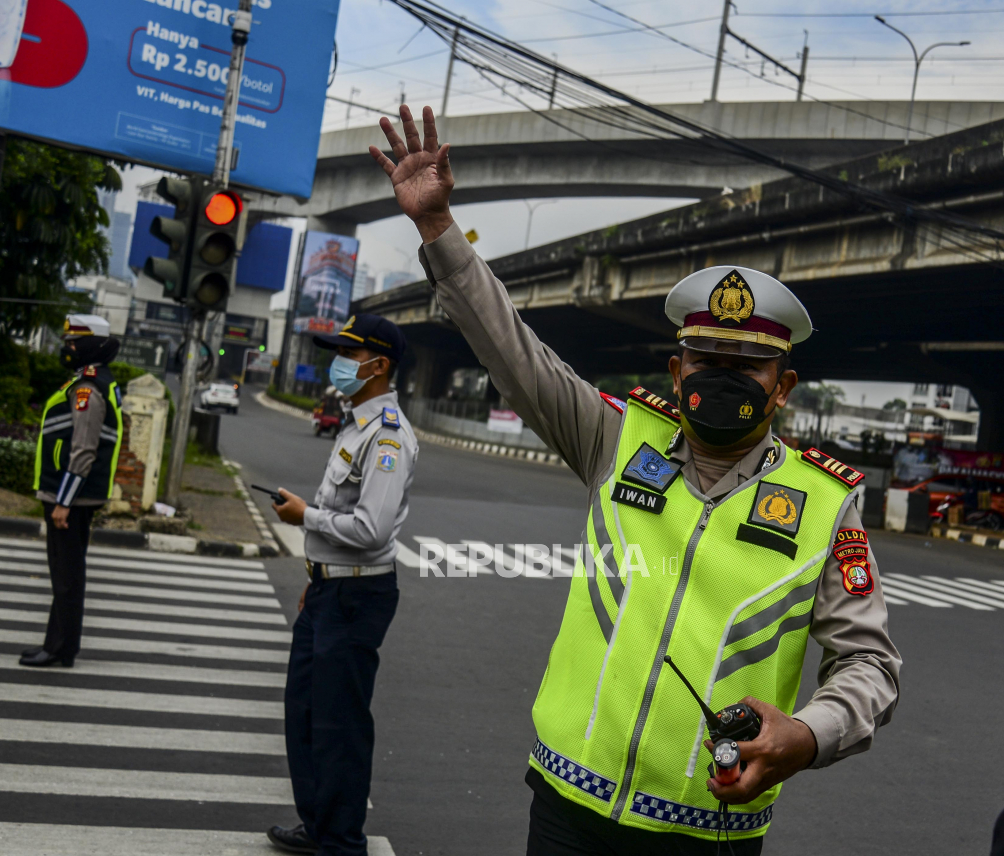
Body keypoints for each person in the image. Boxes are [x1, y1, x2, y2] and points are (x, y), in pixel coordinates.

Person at [368, 106, 901, 854]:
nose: (722, 377)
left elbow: (870, 663)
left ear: (782, 388)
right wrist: (438, 230)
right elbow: (513, 351)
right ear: (676, 371)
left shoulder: (826, 503)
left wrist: (808, 735)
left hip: (710, 829)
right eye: (705, 359)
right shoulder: (616, 438)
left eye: (745, 367)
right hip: (567, 805)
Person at [265, 314, 418, 856]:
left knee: (341, 723)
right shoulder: (356, 424)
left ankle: (342, 841)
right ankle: (319, 822)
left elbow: (371, 530)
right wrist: (318, 574)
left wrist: (305, 518)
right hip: (331, 589)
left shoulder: (387, 439)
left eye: (348, 355)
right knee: (305, 710)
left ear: (378, 366)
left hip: (358, 597)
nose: (340, 363)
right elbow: (343, 514)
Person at [20, 314, 123, 668]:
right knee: (66, 574)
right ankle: (59, 644)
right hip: (73, 496)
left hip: (71, 498)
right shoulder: (90, 383)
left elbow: (83, 450)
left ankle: (61, 648)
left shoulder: (87, 389)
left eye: (74, 343)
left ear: (92, 346)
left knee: (66, 577)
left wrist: (63, 502)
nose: (69, 349)